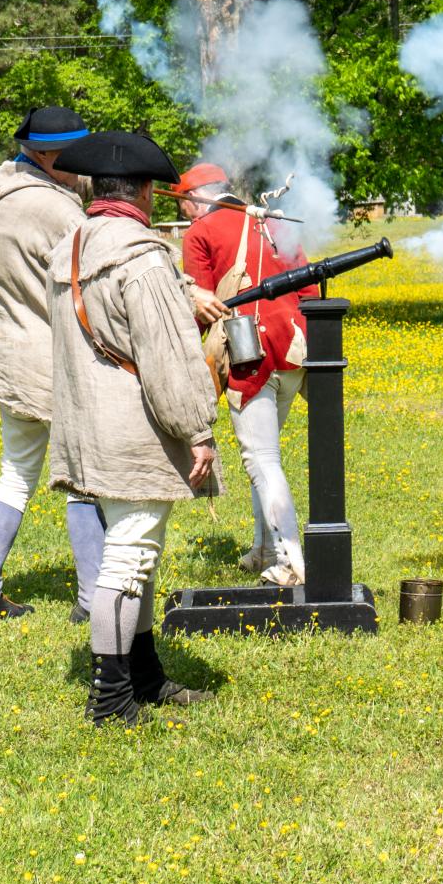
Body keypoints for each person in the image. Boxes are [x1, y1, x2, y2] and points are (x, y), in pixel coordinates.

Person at [45, 131, 222, 726]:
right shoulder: (141, 257)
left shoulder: (73, 246)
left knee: (137, 554)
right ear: (144, 192)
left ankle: (143, 676)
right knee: (127, 559)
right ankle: (110, 697)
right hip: (133, 427)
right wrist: (198, 430)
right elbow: (167, 357)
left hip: (87, 422)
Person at [0, 106, 106, 622]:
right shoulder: (57, 212)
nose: (85, 171)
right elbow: (98, 280)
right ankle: (92, 601)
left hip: (6, 359)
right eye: (77, 159)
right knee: (83, 480)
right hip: (53, 363)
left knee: (15, 476)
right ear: (51, 158)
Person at [177, 161, 309, 587]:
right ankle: (265, 549)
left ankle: (290, 562)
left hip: (250, 353)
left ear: (197, 197)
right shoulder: (273, 221)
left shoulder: (200, 232)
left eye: (184, 205)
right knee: (265, 456)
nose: (185, 214)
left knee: (262, 459)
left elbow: (200, 308)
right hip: (294, 350)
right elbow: (308, 289)